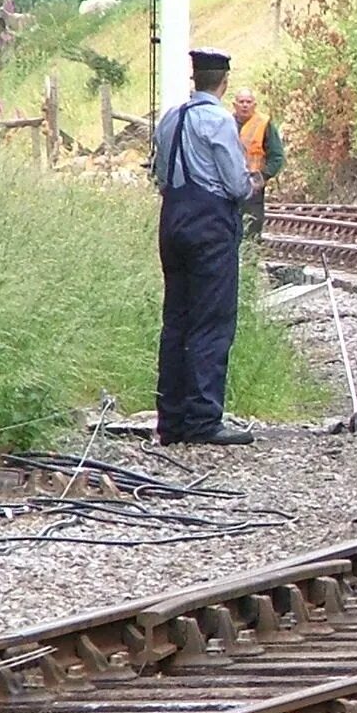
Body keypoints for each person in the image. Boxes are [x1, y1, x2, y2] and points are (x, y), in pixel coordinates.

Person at [151, 48, 258, 446]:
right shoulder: (219, 121)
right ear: (224, 83)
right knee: (212, 319)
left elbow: (160, 173)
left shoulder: (170, 119)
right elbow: (234, 183)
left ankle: (171, 419)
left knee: (176, 318)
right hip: (210, 223)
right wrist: (251, 186)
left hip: (172, 218)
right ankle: (203, 418)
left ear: (195, 79)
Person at [230, 87, 285, 242]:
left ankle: (249, 261)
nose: (245, 105)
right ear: (235, 105)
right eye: (241, 102)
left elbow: (277, 156)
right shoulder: (225, 123)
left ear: (255, 105)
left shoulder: (263, 124)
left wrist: (263, 175)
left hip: (253, 188)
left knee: (251, 229)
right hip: (229, 186)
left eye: (248, 102)